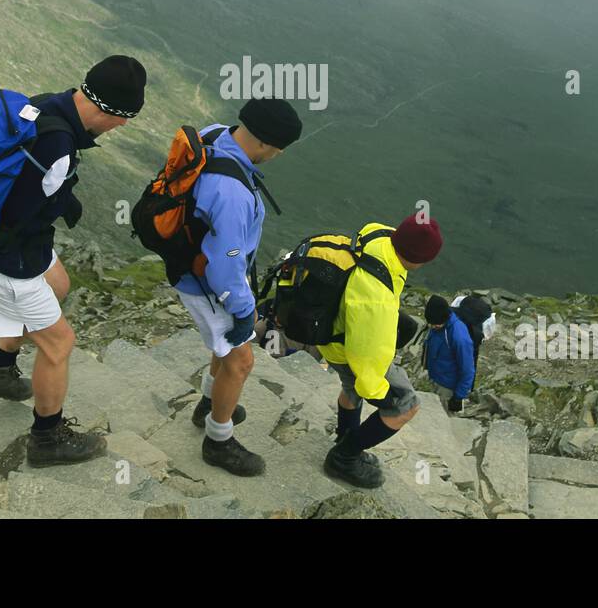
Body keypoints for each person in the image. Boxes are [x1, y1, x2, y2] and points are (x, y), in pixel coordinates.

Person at [0, 55, 147, 466]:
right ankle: (47, 438)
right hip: (1, 259)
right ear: (107, 110)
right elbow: (24, 212)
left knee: (59, 285)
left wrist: (60, 197)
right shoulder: (58, 145)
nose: (123, 126)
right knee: (60, 343)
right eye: (123, 117)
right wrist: (59, 198)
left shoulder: (46, 104)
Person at [173, 98, 302, 476]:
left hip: (194, 264)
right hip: (206, 283)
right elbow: (225, 270)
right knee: (241, 360)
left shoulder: (215, 134)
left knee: (225, 348)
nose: (278, 155)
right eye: (279, 149)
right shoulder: (231, 195)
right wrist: (245, 311)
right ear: (266, 145)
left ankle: (208, 404)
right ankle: (218, 440)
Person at [318, 213, 443, 488]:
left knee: (350, 386)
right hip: (346, 347)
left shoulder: (379, 236)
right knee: (406, 406)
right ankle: (344, 457)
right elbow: (365, 356)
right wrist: (381, 394)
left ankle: (345, 437)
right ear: (421, 260)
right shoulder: (377, 301)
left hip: (332, 335)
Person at [422, 295, 475, 413]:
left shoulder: (459, 337)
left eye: (435, 323)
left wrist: (458, 397)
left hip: (448, 388)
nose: (433, 326)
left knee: (445, 420)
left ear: (444, 318)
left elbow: (468, 369)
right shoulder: (438, 325)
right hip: (435, 379)